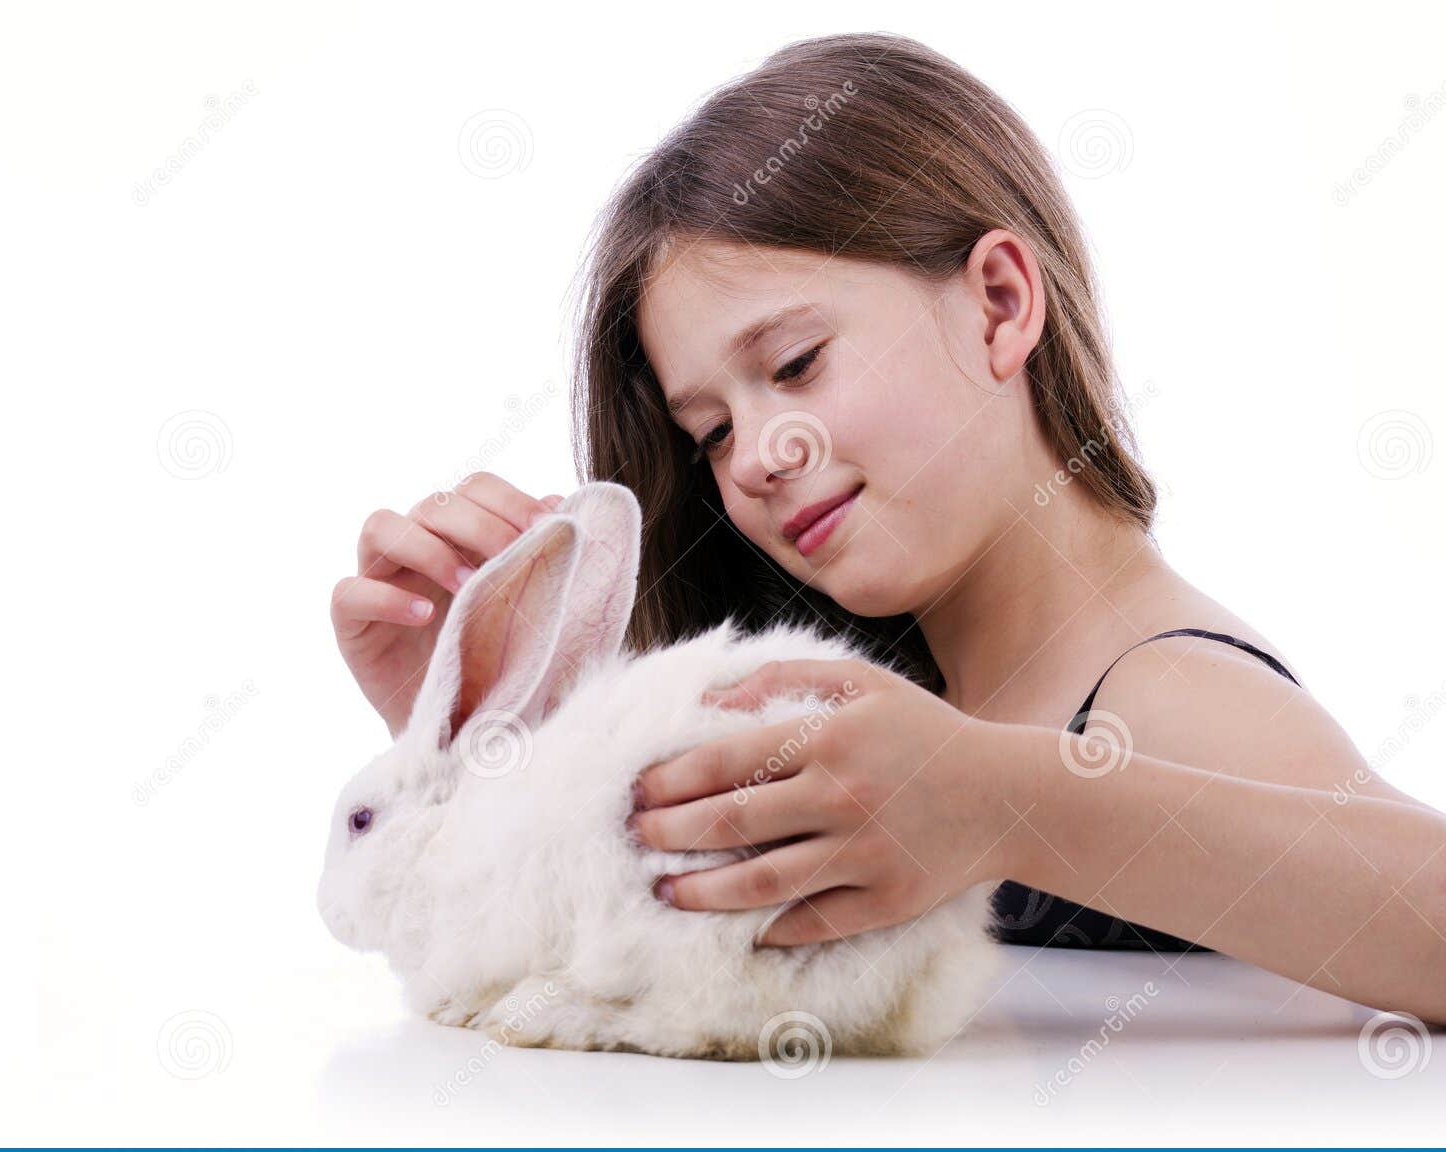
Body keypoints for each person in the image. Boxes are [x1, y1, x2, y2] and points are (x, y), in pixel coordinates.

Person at [330, 33, 1445, 1025]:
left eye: (796, 365)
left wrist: (1001, 800)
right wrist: (466, 770)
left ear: (1000, 304)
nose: (758, 454)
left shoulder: (1160, 695)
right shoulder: (907, 694)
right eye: (710, 430)